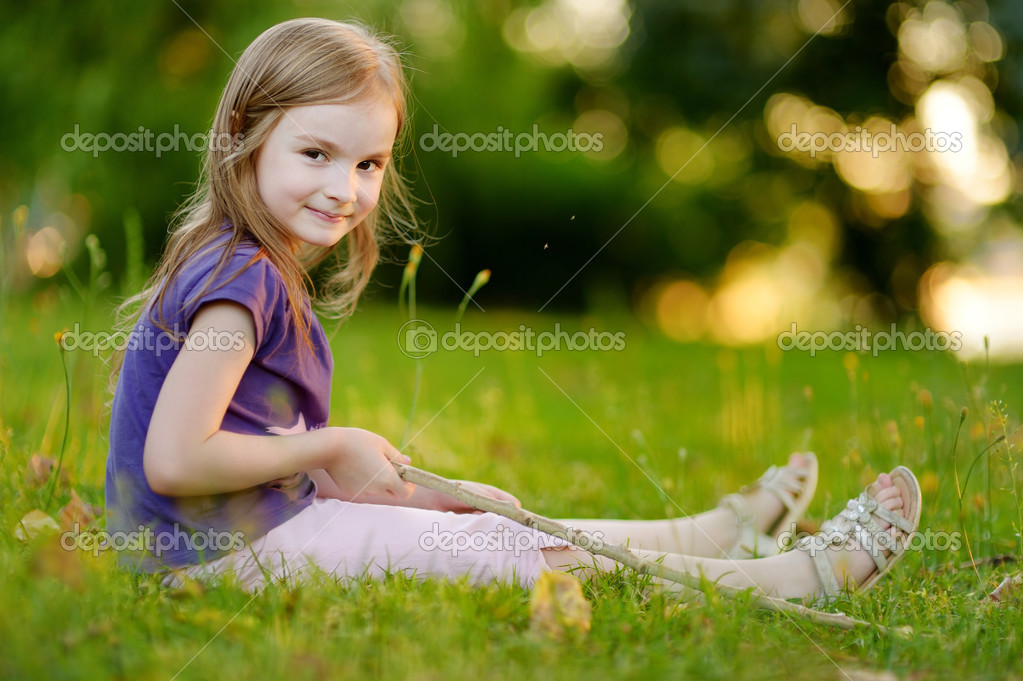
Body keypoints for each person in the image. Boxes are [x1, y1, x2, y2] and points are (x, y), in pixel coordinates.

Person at [105, 18, 921, 604]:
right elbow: (175, 460)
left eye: (368, 161)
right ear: (245, 134)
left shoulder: (248, 267)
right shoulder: (240, 279)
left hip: (231, 539)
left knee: (496, 517)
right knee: (496, 548)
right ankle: (774, 581)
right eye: (315, 153)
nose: (344, 187)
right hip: (217, 557)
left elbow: (253, 446)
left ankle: (710, 534)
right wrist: (339, 442)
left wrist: (386, 484)